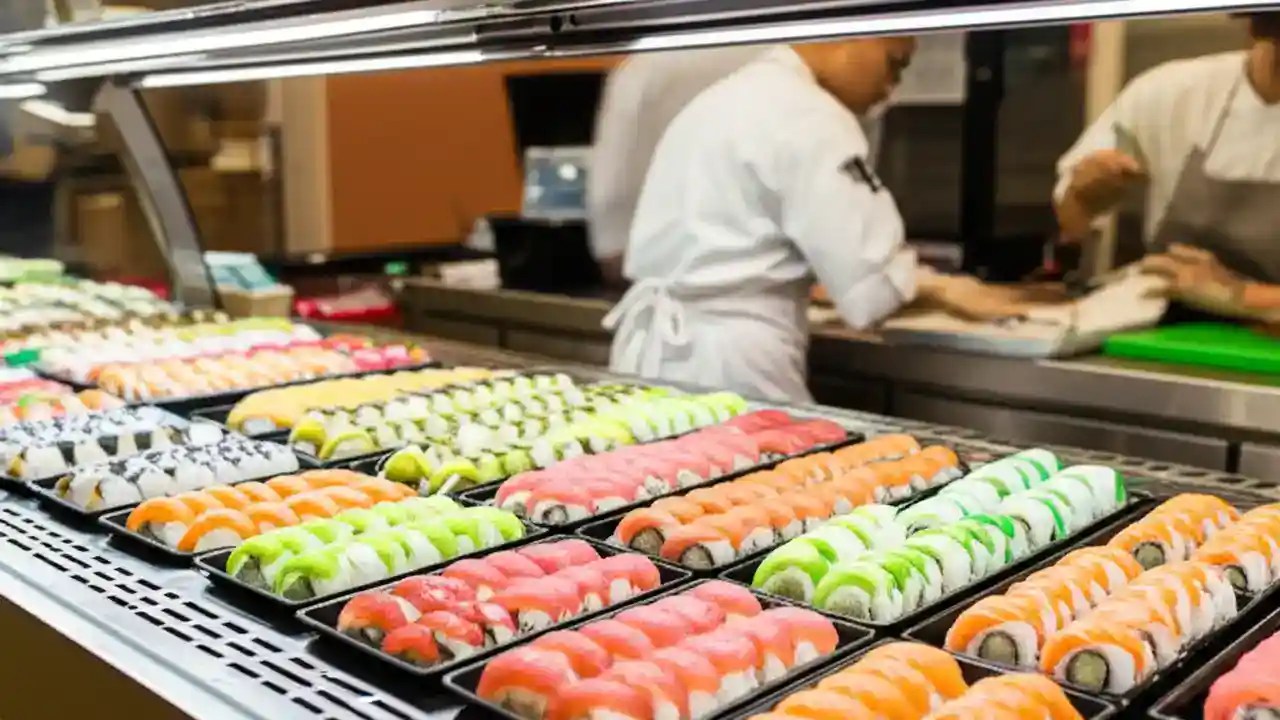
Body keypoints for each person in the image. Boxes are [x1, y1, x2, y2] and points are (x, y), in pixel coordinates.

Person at [603, 40, 1015, 402]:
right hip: (731, 368)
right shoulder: (811, 115)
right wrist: (943, 288)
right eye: (894, 65)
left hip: (653, 356)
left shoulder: (733, 95)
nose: (890, 90)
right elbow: (872, 290)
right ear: (856, 31)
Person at [1055, 12, 1280, 323]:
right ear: (1260, 28)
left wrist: (1238, 294)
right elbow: (1071, 215)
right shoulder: (1173, 92)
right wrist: (1087, 194)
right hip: (1165, 326)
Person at [587, 47, 764, 285]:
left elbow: (610, 201)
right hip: (767, 282)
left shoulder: (647, 67)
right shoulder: (778, 59)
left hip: (666, 283)